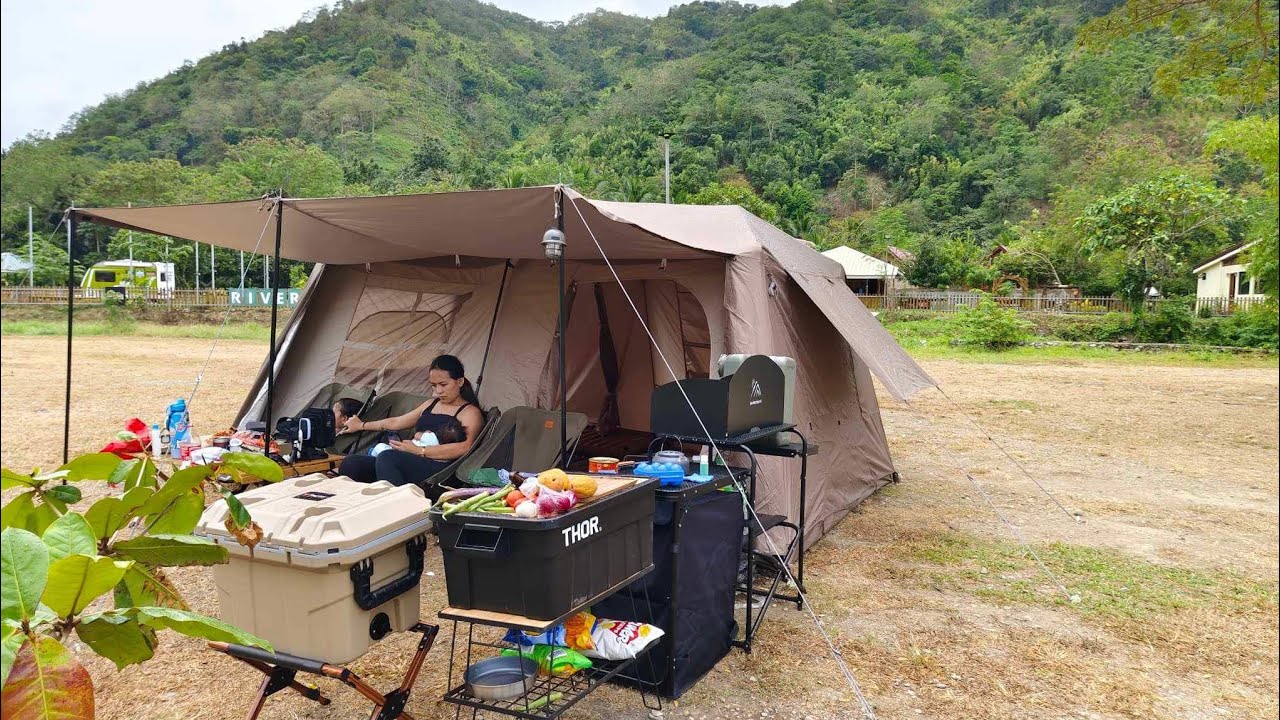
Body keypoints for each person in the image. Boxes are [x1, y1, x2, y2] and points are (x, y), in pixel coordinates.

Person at [337, 355, 483, 486]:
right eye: (433, 385)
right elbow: (396, 422)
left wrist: (420, 450)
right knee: (351, 463)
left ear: (460, 381)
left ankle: (398, 508)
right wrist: (361, 425)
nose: (438, 391)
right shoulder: (430, 404)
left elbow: (464, 447)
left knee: (388, 458)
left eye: (443, 385)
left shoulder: (469, 412)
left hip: (439, 467)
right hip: (410, 457)